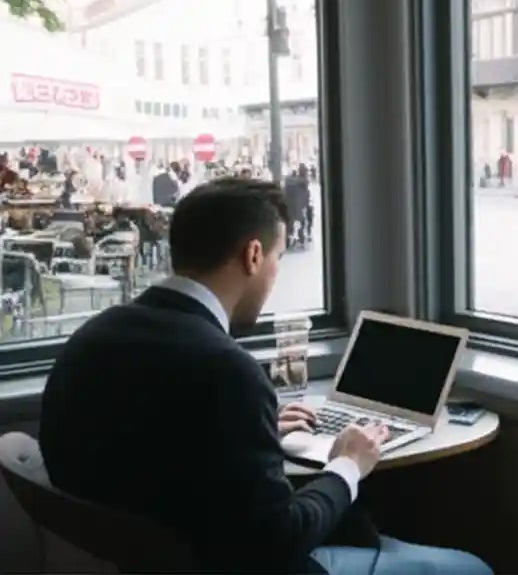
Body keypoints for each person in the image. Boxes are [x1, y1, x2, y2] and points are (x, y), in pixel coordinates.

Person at [39, 178, 493, 575]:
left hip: (156, 558)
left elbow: (144, 451)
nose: (276, 273)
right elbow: (277, 543)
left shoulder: (93, 338)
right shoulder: (225, 369)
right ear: (253, 255)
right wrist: (346, 467)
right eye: (278, 256)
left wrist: (241, 436)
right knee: (473, 568)